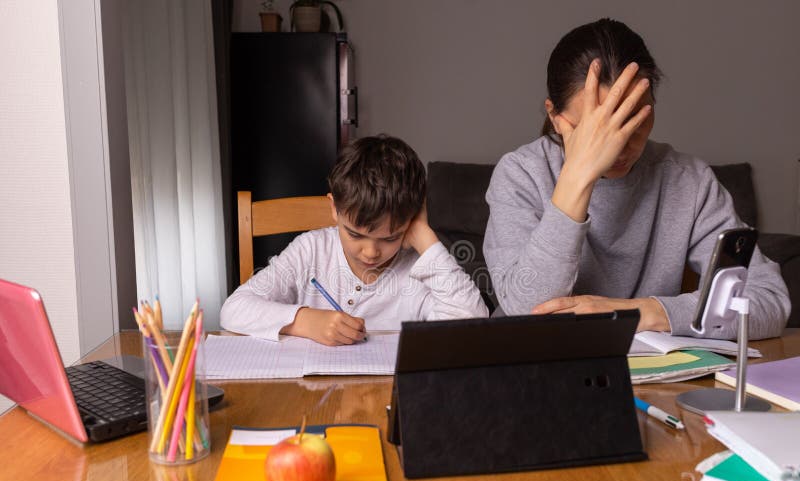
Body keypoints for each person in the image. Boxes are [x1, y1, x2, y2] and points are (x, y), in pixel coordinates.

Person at [483, 18, 789, 339]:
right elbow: (527, 311)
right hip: (537, 371)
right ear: (555, 118)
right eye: (597, 126)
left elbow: (769, 299)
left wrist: (643, 312)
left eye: (634, 121)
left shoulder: (689, 181)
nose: (618, 146)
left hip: (648, 372)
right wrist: (579, 175)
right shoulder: (520, 173)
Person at [221, 134, 488, 345]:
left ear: (411, 221)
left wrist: (425, 238)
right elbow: (233, 309)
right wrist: (304, 321)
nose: (371, 252)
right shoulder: (311, 251)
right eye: (355, 234)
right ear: (334, 209)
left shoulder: (419, 271)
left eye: (390, 237)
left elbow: (473, 326)